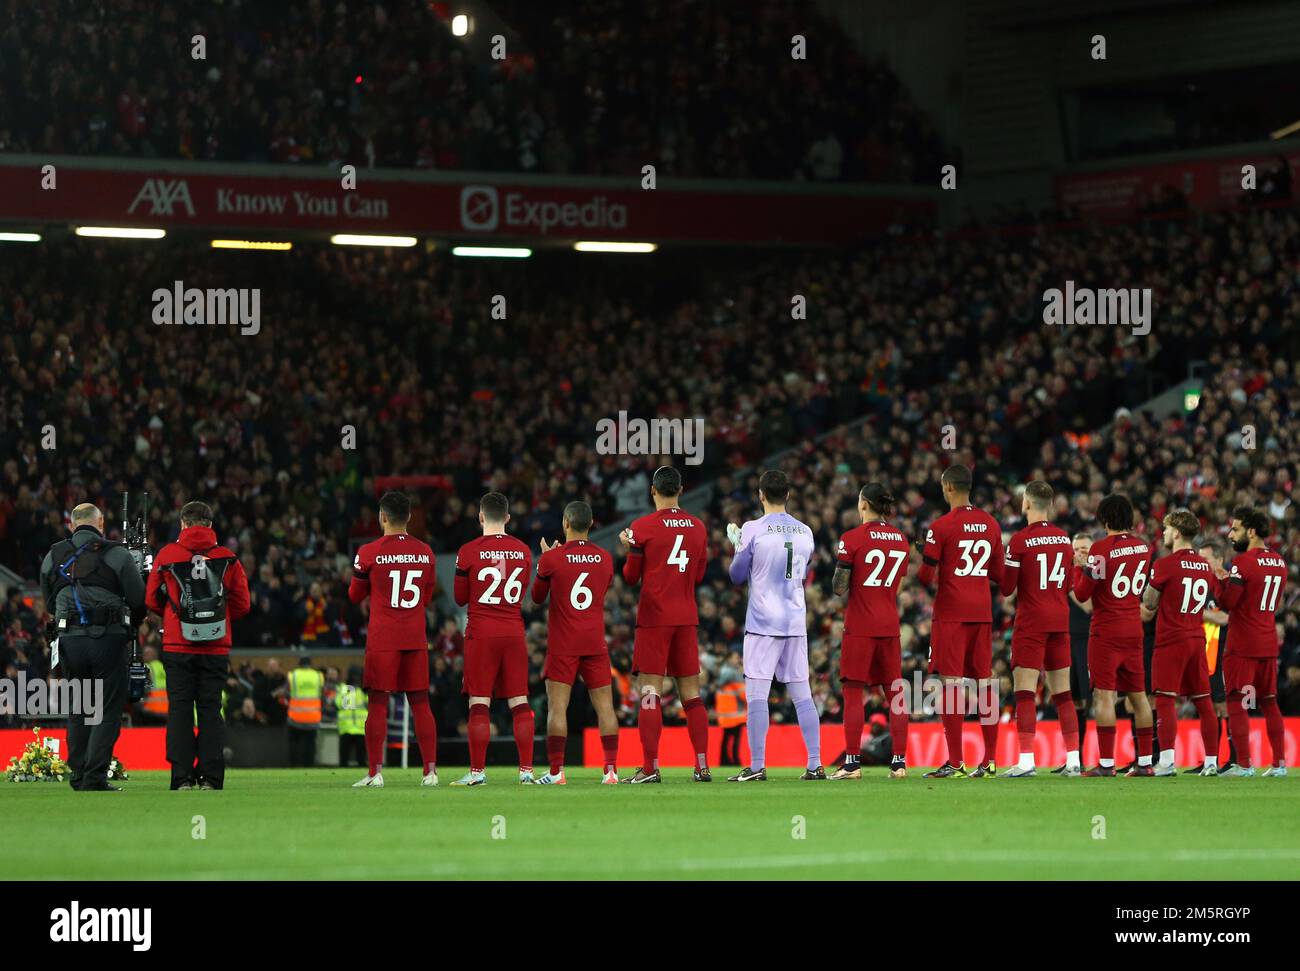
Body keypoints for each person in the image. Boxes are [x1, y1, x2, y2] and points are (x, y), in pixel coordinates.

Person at [725, 469, 824, 782]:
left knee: (757, 695)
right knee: (802, 694)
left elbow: (736, 576)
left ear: (760, 495)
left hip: (763, 623)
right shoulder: (806, 531)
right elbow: (802, 570)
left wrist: (739, 545)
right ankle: (815, 764)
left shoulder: (754, 529)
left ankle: (756, 767)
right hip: (795, 622)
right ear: (789, 495)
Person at [40, 502, 146, 791]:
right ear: (100, 525)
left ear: (72, 526)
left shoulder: (53, 555)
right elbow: (138, 600)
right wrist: (131, 624)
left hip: (69, 641)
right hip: (108, 639)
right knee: (107, 709)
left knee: (79, 707)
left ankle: (77, 775)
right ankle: (95, 777)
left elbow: (48, 601)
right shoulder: (117, 554)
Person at [147, 500, 250, 789]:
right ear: (210, 525)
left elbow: (151, 598)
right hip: (215, 645)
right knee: (210, 709)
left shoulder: (167, 554)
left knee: (179, 709)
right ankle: (211, 778)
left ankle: (182, 779)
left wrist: (172, 615)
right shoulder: (228, 557)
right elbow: (243, 604)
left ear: (183, 523)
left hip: (178, 645)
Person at [618, 466, 709, 784]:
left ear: (653, 491)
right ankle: (701, 765)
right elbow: (698, 576)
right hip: (686, 618)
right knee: (692, 696)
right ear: (681, 490)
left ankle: (650, 767)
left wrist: (630, 548)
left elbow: (630, 577)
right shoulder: (698, 527)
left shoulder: (641, 528)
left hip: (654, 619)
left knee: (649, 693)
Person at [347, 490, 439, 787]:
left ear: (382, 517)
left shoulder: (369, 551)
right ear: (409, 517)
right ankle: (431, 772)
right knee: (421, 703)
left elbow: (353, 595)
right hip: (414, 636)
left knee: (377, 703)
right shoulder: (425, 552)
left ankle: (375, 773)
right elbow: (426, 598)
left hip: (383, 637)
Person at [917, 464, 1004, 779]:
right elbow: (999, 575)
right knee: (984, 683)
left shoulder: (941, 526)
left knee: (950, 684)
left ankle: (955, 763)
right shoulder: (991, 523)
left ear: (948, 488)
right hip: (981, 613)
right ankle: (990, 761)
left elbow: (925, 578)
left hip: (952, 614)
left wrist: (926, 558)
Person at [530, 500, 619, 784]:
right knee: (605, 707)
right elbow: (603, 589)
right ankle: (611, 771)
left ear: (565, 524)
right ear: (591, 524)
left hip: (563, 643)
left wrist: (546, 563)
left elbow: (536, 597)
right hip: (594, 641)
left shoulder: (551, 559)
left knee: (558, 708)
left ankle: (557, 772)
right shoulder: (605, 558)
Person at [451, 492, 535, 786]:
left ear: (481, 517)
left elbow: (460, 599)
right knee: (519, 700)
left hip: (481, 633)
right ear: (508, 519)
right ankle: (526, 772)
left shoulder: (468, 551)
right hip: (513, 630)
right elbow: (522, 593)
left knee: (479, 701)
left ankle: (477, 773)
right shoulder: (524, 551)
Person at [830, 482, 911, 779]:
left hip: (861, 626)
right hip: (889, 625)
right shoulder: (901, 540)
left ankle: (852, 763)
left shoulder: (852, 538)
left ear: (864, 504)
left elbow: (839, 589)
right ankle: (899, 763)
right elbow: (897, 587)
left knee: (853, 692)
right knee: (896, 694)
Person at [999, 481, 1080, 777]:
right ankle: (1073, 760)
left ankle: (1026, 761)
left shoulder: (1020, 541)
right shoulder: (1064, 539)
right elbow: (1069, 583)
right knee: (1063, 694)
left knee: (1024, 692)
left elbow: (1007, 588)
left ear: (1027, 504)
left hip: (1032, 621)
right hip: (1060, 619)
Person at [1071, 494, 1155, 777]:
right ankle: (1145, 763)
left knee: (1104, 696)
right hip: (1133, 628)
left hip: (1106, 631)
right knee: (1139, 697)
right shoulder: (1143, 548)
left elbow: (1083, 593)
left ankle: (1107, 764)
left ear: (1105, 519)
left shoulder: (1100, 549)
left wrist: (1078, 567)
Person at [1140, 508, 1221, 776]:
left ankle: (1166, 762)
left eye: (1165, 529)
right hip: (1197, 638)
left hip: (1170, 639)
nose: (1162, 534)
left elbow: (1149, 605)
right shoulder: (1204, 567)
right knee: (1203, 701)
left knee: (1164, 698)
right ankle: (1211, 762)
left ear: (1176, 532)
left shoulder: (1164, 565)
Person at [1217, 507, 1289, 776]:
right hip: (1267, 643)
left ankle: (1244, 764)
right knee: (1269, 702)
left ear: (1251, 531)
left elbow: (1228, 603)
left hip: (1243, 645)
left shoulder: (1243, 563)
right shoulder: (1279, 562)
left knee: (1237, 702)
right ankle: (1280, 764)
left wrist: (1218, 580)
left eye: (1235, 529)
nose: (1231, 535)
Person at [286, 656, 324, 767]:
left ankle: (294, 765)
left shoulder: (293, 676)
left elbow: (286, 691)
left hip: (295, 717)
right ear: (310, 664)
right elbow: (322, 693)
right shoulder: (318, 676)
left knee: (294, 743)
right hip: (313, 717)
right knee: (310, 744)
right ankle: (309, 765)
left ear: (299, 664)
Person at [336, 665, 368, 769]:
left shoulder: (364, 690)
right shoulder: (345, 688)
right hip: (349, 728)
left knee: (360, 759)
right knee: (345, 759)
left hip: (358, 729)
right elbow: (339, 703)